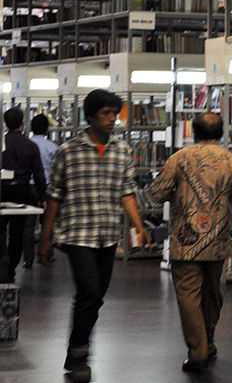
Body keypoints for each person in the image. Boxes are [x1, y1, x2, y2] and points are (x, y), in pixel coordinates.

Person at [39, 89, 150, 383]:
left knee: (96, 296)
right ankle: (79, 354)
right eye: (106, 114)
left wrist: (139, 225)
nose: (113, 119)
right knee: (88, 292)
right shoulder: (68, 151)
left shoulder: (122, 151)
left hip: (108, 233)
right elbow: (54, 196)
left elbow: (127, 191)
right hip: (77, 233)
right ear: (90, 117)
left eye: (115, 113)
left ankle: (78, 347)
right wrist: (45, 237)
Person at [150, 111, 232, 373]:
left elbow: (156, 193)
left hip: (185, 243)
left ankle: (198, 352)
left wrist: (178, 193)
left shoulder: (178, 159)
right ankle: (209, 342)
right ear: (221, 133)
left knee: (188, 298)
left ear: (193, 132)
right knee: (212, 295)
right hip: (217, 242)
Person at [0, 106, 46, 282]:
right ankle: (11, 269)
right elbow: (39, 175)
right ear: (22, 123)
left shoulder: (2, 144)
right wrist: (42, 198)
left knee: (1, 229)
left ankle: (1, 261)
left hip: (1, 189)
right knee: (17, 232)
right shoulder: (30, 146)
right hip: (22, 190)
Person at [22, 113, 59, 269]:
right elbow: (56, 171)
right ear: (46, 129)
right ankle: (46, 254)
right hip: (47, 188)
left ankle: (28, 259)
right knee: (47, 222)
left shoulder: (26, 145)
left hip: (28, 187)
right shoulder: (53, 147)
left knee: (28, 225)